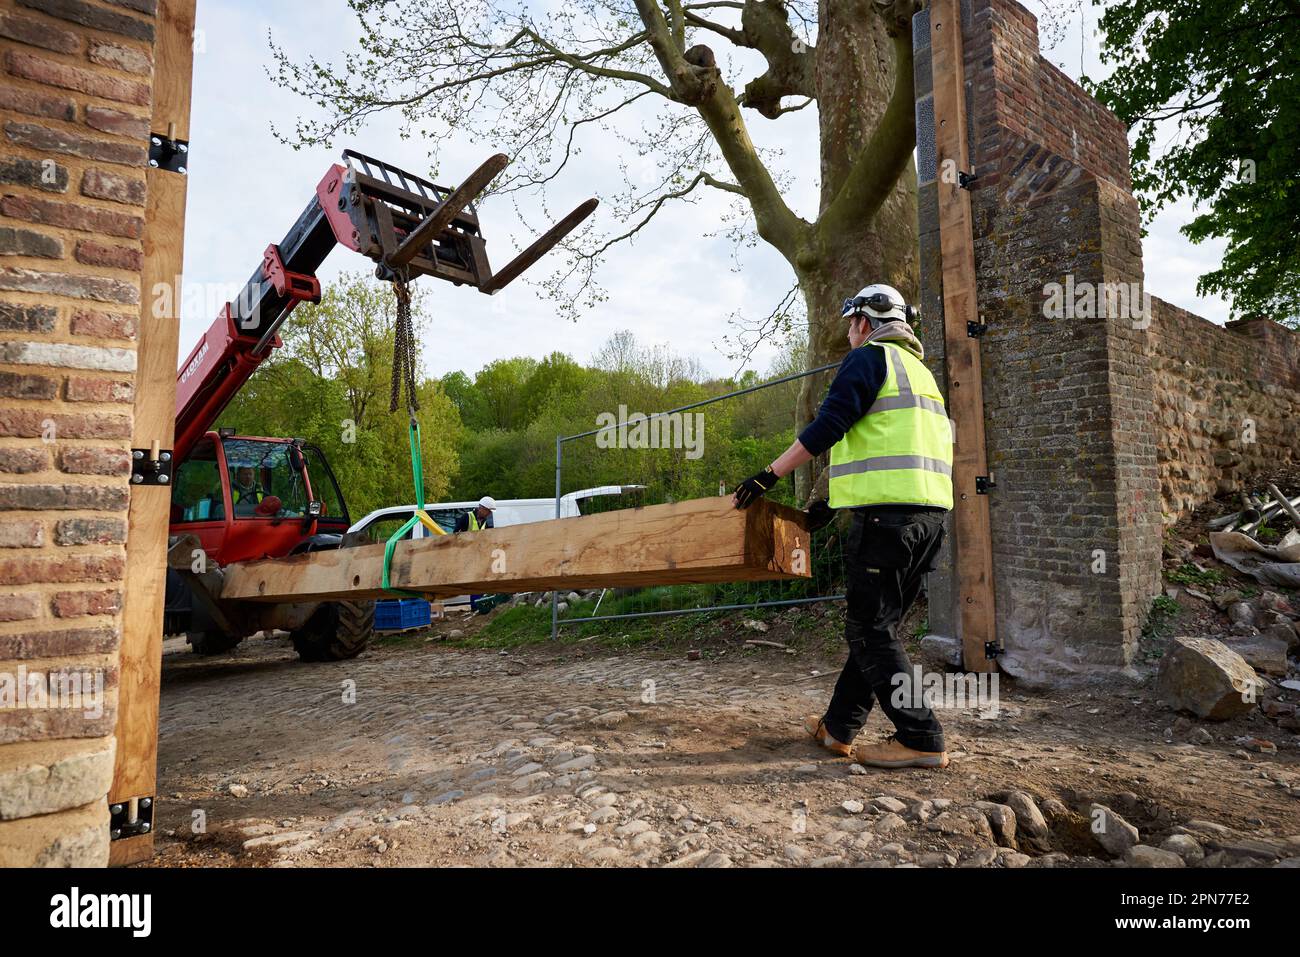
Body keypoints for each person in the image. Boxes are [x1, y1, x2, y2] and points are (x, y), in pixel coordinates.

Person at [732, 284, 954, 770]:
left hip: (885, 521)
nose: (849, 333)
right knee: (876, 628)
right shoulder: (920, 374)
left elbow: (828, 426)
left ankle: (921, 735)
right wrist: (826, 506)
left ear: (864, 322)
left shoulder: (869, 358)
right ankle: (838, 727)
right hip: (929, 519)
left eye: (851, 323)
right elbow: (877, 450)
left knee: (868, 630)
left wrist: (768, 475)